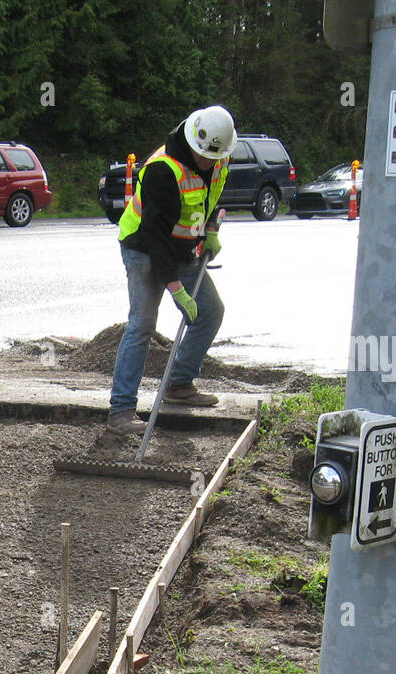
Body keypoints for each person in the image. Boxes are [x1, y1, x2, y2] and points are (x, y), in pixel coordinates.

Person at [106, 106, 235, 440]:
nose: (209, 162)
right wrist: (176, 289)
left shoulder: (219, 159)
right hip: (144, 247)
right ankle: (121, 411)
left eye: (215, 157)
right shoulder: (162, 170)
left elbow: (210, 199)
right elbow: (156, 237)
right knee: (142, 324)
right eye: (204, 156)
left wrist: (209, 230)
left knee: (210, 311)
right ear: (192, 141)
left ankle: (179, 383)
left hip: (184, 248)